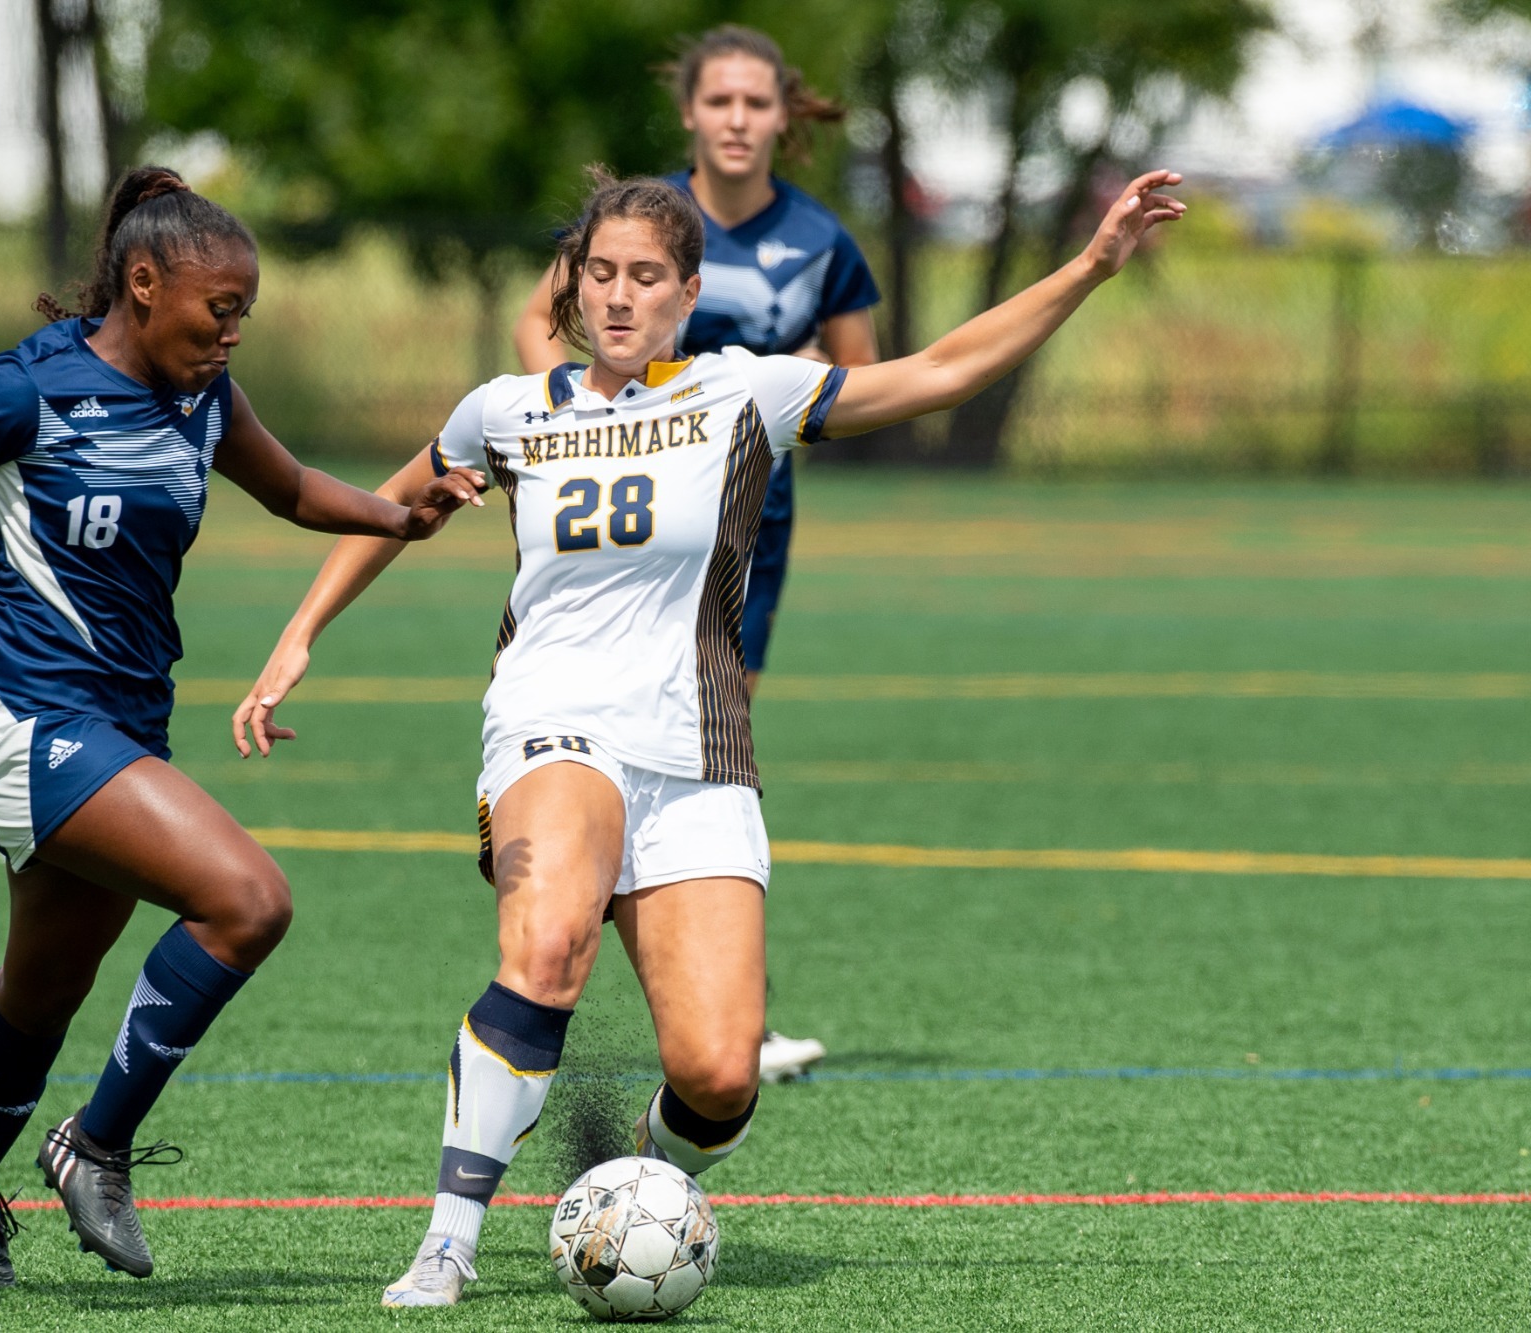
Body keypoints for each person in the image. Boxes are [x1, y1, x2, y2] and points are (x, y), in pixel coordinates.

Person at [235, 165, 1184, 1306]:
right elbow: (394, 507)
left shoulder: (745, 395)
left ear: (689, 292)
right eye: (600, 275)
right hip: (550, 727)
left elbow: (937, 373)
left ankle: (637, 1190)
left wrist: (1087, 265)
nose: (620, 297)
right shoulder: (508, 411)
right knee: (545, 948)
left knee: (719, 1073)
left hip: (696, 758)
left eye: (646, 277)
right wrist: (299, 634)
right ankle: (446, 1241)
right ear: (572, 288)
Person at [0, 166, 484, 1288]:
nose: (232, 333)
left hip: (122, 725)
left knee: (44, 986)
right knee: (247, 899)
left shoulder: (204, 400)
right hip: (20, 722)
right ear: (142, 283)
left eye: (244, 313)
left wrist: (399, 514)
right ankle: (95, 1142)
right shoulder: (32, 387)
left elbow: (286, 490)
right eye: (217, 309)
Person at [515, 25, 879, 1083]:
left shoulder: (820, 240)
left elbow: (856, 377)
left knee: (710, 735)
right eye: (716, 100)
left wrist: (777, 383)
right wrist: (567, 424)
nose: (733, 119)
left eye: (753, 103)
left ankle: (719, 1001)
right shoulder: (643, 224)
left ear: (781, 117)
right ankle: (572, 951)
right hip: (619, 515)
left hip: (741, 527)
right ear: (688, 111)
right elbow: (537, 323)